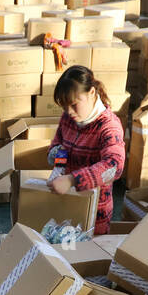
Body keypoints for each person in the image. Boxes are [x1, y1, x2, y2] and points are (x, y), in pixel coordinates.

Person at [46, 65, 126, 235]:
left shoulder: (108, 126)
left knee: (85, 256)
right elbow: (59, 146)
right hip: (67, 202)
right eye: (64, 106)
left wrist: (72, 180)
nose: (69, 111)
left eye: (74, 104)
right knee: (65, 250)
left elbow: (114, 166)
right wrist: (58, 166)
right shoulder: (68, 118)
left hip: (94, 211)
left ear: (91, 93)